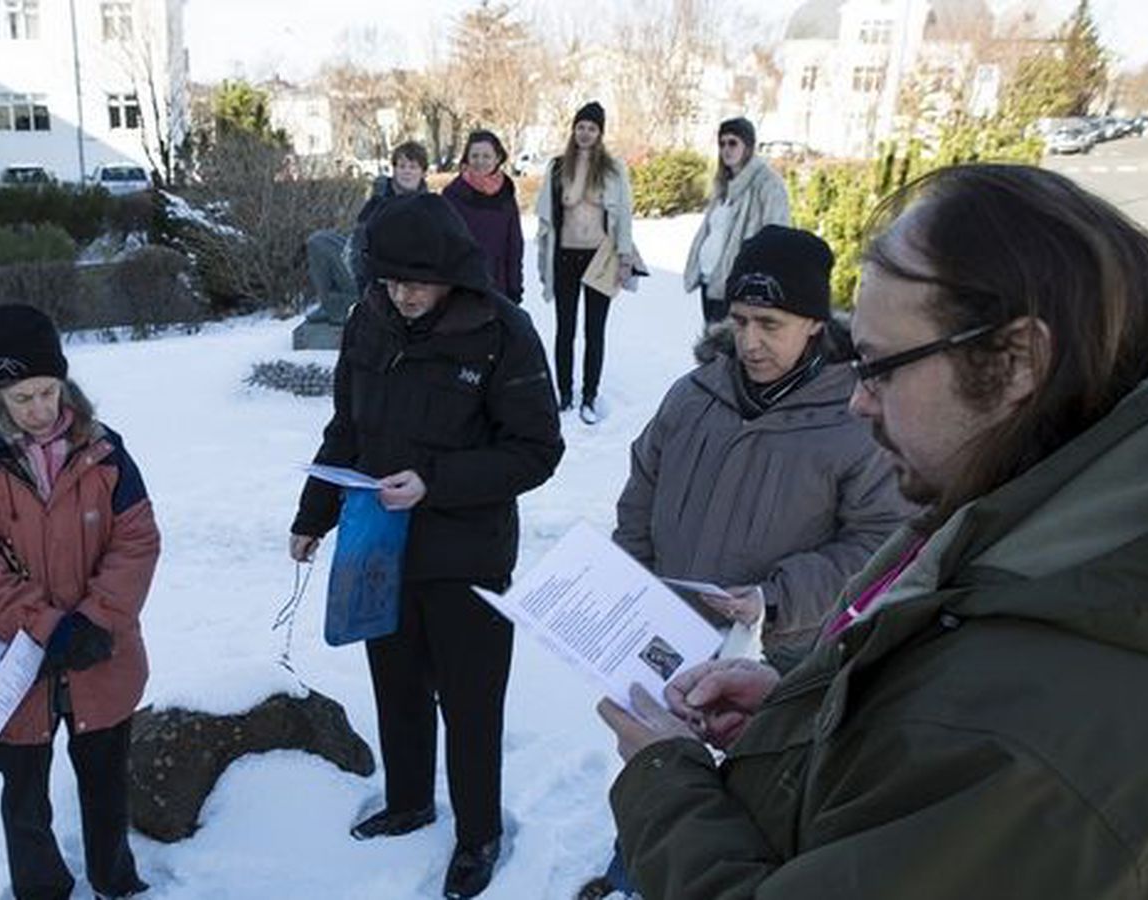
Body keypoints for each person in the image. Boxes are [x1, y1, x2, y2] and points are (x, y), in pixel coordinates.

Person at [598, 164, 1148, 898]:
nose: (858, 402)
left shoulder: (1033, 735)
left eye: (880, 368)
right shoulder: (1015, 514)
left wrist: (665, 783)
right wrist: (809, 713)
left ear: (1017, 363)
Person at [577, 225, 909, 900]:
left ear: (815, 324)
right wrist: (630, 587)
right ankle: (629, 877)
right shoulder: (693, 395)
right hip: (670, 638)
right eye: (739, 320)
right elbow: (641, 494)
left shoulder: (856, 419)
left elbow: (880, 541)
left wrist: (777, 597)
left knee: (744, 805)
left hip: (779, 659)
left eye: (771, 324)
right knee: (659, 771)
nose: (750, 341)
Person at [290, 193, 563, 899]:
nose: (402, 295)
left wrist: (435, 482)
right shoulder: (368, 319)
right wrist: (313, 513)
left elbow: (536, 450)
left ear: (451, 273)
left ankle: (479, 835)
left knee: (471, 703)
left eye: (415, 281)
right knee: (397, 683)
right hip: (380, 542)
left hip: (466, 551)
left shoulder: (502, 332)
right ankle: (409, 799)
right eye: (389, 280)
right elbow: (345, 424)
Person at [0, 304, 160, 900]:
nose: (39, 409)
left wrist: (96, 618)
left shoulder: (106, 451)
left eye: (48, 392)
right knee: (23, 794)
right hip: (11, 664)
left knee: (106, 780)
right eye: (21, 397)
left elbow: (137, 540)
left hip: (100, 652)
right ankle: (41, 888)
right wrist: (45, 627)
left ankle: (115, 879)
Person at [535, 101, 637, 424]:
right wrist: (543, 260)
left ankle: (589, 395)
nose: (585, 133)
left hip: (600, 258)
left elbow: (624, 216)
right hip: (565, 257)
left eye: (592, 128)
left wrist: (624, 257)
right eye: (581, 126)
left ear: (600, 133)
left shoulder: (613, 169)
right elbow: (546, 218)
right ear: (574, 129)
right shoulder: (556, 167)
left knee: (595, 331)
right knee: (565, 329)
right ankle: (564, 393)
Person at [306, 140, 431, 325]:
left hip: (391, 278)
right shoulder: (381, 194)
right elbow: (360, 229)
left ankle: (348, 306)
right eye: (402, 166)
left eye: (413, 167)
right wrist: (377, 200)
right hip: (360, 262)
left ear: (422, 172)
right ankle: (331, 304)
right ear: (394, 170)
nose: (407, 171)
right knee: (319, 242)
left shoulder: (428, 204)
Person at [683, 117, 791, 325]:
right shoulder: (723, 186)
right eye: (722, 143)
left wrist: (755, 280)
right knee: (712, 347)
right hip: (710, 281)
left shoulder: (768, 184)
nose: (726, 149)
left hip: (739, 286)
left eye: (733, 143)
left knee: (730, 351)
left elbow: (777, 236)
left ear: (748, 146)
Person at [442, 129, 525, 303]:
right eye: (475, 156)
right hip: (461, 288)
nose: (480, 161)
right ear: (467, 158)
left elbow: (514, 246)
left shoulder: (506, 195)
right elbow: (444, 245)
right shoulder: (452, 195)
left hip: (498, 284)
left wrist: (515, 287)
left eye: (487, 156)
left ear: (497, 158)